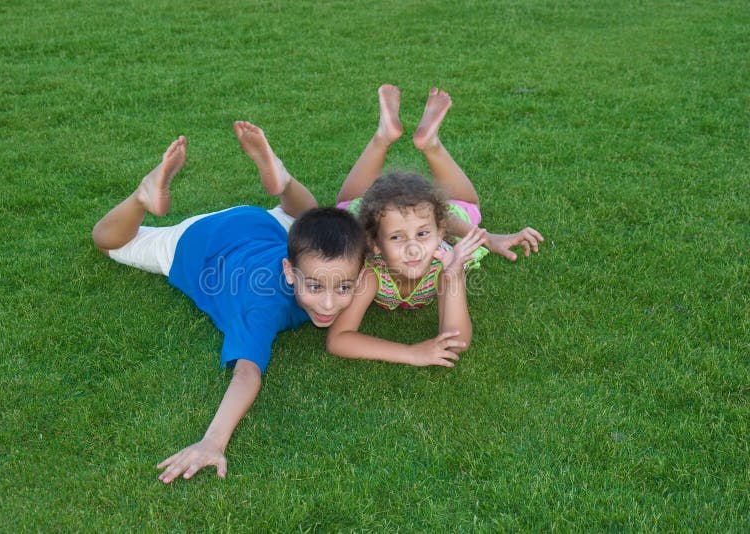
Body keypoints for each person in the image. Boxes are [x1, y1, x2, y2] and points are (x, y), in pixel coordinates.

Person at [91, 122, 366, 483]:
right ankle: (142, 196)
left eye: (344, 288)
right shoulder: (263, 306)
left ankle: (283, 183)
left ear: (360, 279)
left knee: (312, 222)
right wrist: (212, 441)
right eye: (315, 287)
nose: (329, 304)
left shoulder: (320, 267)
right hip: (196, 243)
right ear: (288, 272)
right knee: (108, 240)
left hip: (259, 223)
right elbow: (246, 373)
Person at [326, 85, 544, 366]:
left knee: (466, 208)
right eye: (396, 238)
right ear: (376, 245)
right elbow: (338, 339)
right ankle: (385, 137)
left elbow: (458, 341)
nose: (413, 247)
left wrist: (455, 275)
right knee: (349, 206)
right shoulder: (371, 273)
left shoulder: (446, 264)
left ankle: (430, 144)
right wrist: (410, 353)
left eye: (422, 235)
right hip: (391, 224)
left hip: (437, 230)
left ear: (441, 233)